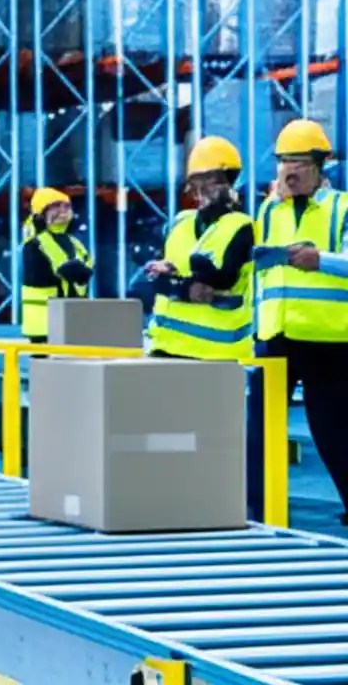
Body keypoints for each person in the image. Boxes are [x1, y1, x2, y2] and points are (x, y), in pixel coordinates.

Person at [255, 118, 348, 521]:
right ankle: (254, 505)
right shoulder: (268, 209)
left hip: (329, 338)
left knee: (332, 431)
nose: (287, 171)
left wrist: (320, 261)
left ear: (318, 166)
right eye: (282, 162)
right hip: (276, 335)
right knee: (257, 429)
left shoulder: (341, 207)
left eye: (297, 163)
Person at [144, 136, 255, 360]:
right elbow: (155, 279)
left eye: (213, 180)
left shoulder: (241, 226)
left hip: (217, 351)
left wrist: (178, 282)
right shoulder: (179, 223)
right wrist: (179, 284)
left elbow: (221, 281)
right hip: (165, 346)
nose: (204, 189)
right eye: (199, 181)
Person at [20, 187, 92, 343]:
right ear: (41, 212)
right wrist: (79, 270)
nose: (63, 210)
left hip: (71, 318)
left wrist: (83, 270)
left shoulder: (74, 242)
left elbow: (86, 266)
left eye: (66, 206)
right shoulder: (36, 242)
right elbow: (64, 269)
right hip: (43, 322)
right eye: (55, 206)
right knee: (44, 365)